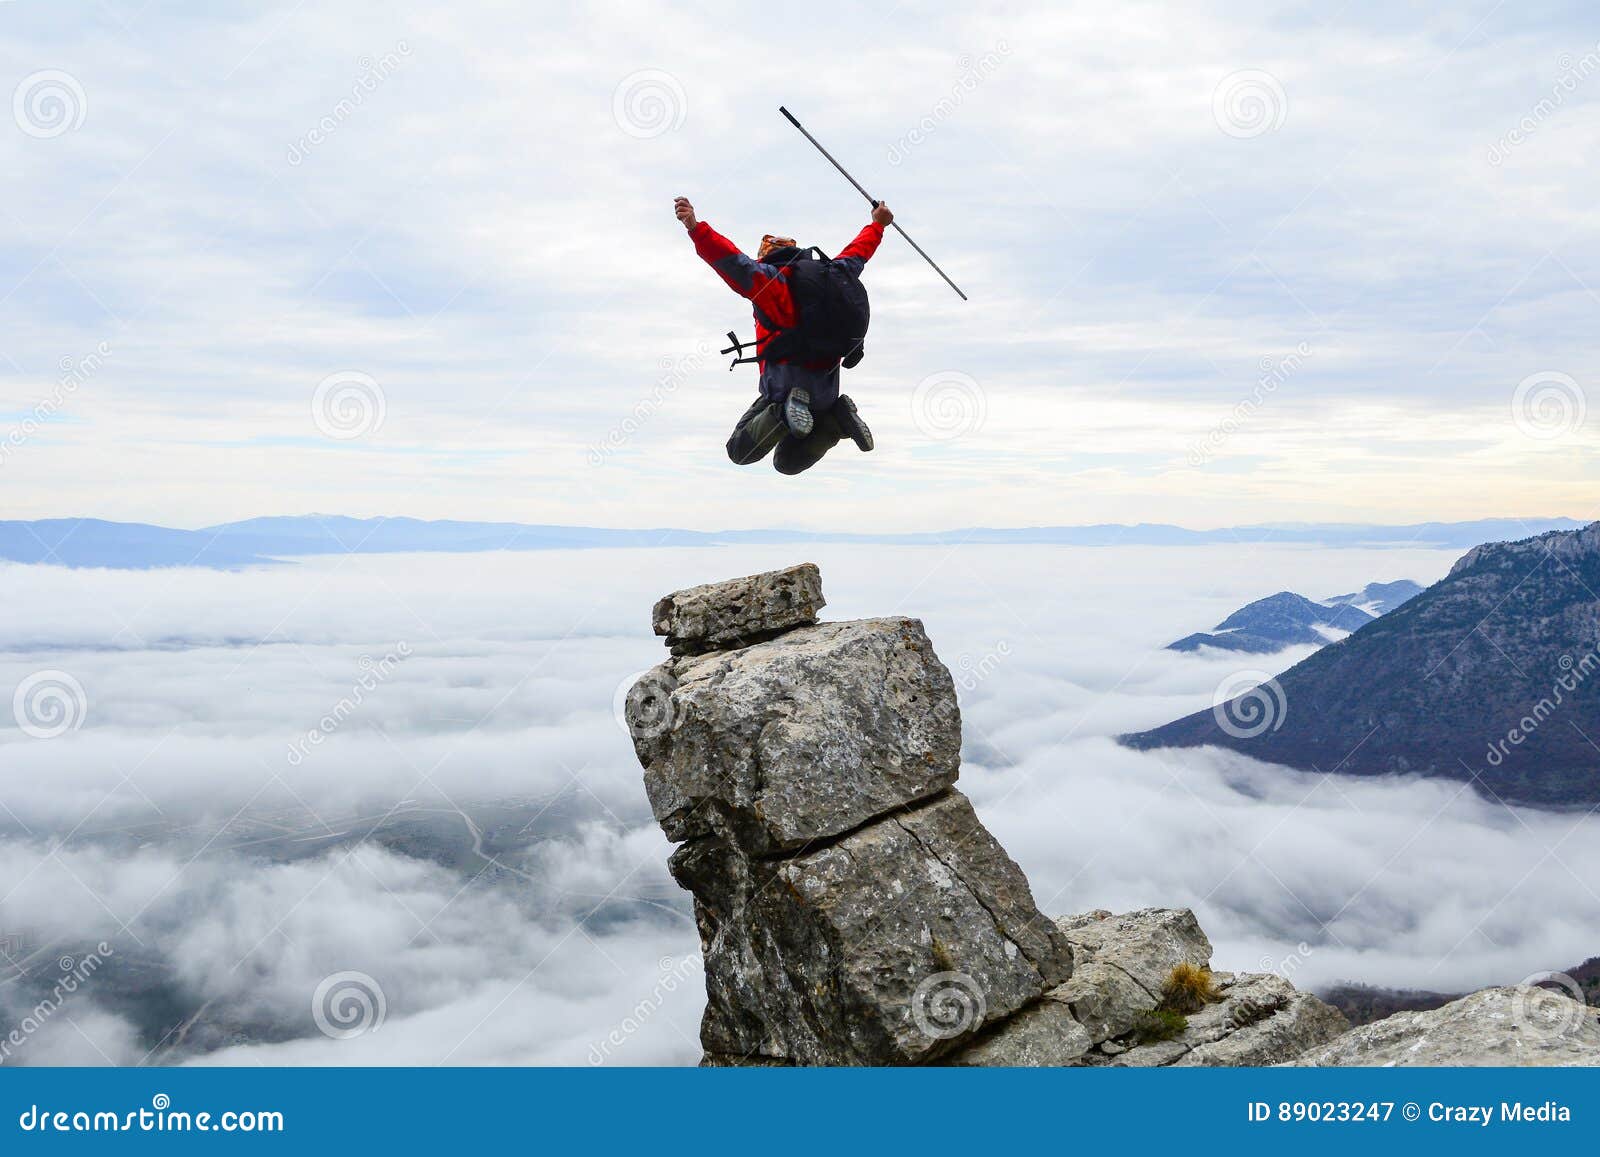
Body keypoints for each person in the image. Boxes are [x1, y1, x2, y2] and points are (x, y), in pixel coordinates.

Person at [674, 195, 891, 475]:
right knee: (786, 463)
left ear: (765, 258)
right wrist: (878, 225)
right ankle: (836, 421)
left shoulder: (772, 283)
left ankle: (782, 415)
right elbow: (858, 252)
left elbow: (731, 262)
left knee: (739, 450)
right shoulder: (835, 274)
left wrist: (695, 228)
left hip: (785, 388)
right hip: (825, 395)